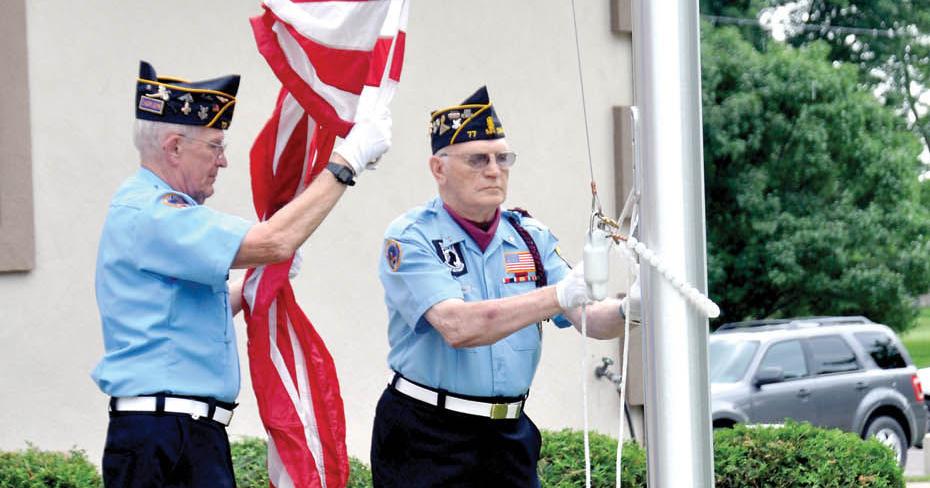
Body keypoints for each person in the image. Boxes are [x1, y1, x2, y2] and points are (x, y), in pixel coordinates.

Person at [90, 61, 391, 487]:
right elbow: (273, 242)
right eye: (214, 146)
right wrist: (345, 163)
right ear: (175, 146)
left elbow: (183, 317)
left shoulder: (158, 213)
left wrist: (251, 285)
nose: (224, 160)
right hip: (165, 433)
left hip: (178, 431)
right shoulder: (155, 213)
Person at [370, 86, 634, 487]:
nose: (494, 170)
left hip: (508, 436)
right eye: (477, 159)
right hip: (427, 436)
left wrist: (630, 311)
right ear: (438, 169)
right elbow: (457, 326)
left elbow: (587, 317)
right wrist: (559, 294)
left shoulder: (528, 236)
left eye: (502, 158)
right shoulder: (410, 237)